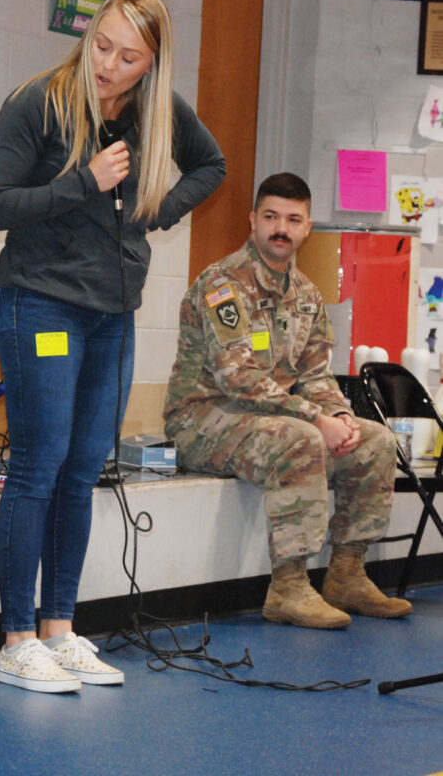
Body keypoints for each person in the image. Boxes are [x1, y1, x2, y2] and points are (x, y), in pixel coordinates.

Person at [0, 0, 226, 692]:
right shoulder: (39, 102)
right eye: (101, 46)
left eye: (127, 56)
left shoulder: (153, 110)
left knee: (84, 468)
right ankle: (16, 638)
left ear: (151, 64)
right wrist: (83, 183)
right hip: (41, 308)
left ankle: (59, 628)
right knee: (39, 464)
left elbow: (211, 166)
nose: (108, 65)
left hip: (111, 313)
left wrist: (157, 210)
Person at [163, 172, 412, 630]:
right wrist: (317, 419)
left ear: (307, 227)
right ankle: (289, 587)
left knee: (376, 440)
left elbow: (315, 374)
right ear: (253, 220)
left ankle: (347, 574)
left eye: (293, 219)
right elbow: (237, 378)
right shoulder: (223, 285)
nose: (281, 228)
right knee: (301, 440)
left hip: (267, 418)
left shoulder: (308, 296)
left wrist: (338, 414)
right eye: (272, 216)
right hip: (203, 419)